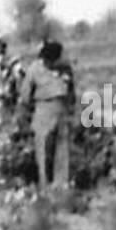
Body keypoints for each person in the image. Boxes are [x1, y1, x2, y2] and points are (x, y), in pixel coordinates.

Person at [18, 39, 74, 189]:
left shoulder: (65, 67)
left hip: (61, 109)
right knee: (43, 148)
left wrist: (71, 109)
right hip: (43, 109)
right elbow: (25, 93)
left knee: (61, 148)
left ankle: (61, 184)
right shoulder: (34, 69)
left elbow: (72, 89)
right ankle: (44, 184)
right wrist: (25, 111)